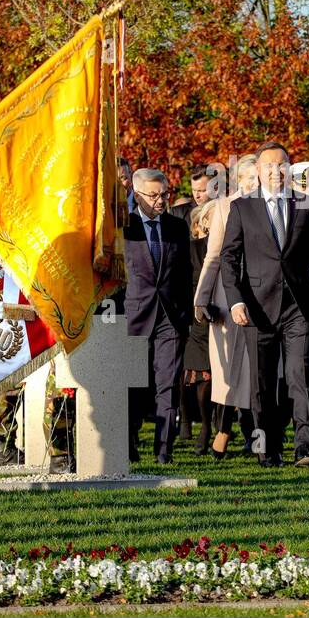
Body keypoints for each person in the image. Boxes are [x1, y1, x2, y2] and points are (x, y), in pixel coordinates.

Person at [221, 141, 309, 467]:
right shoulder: (242, 208)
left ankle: (304, 448)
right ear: (258, 170)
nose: (275, 171)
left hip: (299, 306)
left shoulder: (306, 205)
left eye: (281, 165)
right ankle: (266, 449)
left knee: (300, 377)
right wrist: (235, 301)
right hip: (257, 308)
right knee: (262, 383)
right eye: (268, 166)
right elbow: (229, 259)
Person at [123, 167, 192, 464]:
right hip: (136, 317)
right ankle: (129, 443)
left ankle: (164, 449)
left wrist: (186, 313)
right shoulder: (124, 227)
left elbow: (186, 272)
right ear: (137, 195)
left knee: (168, 384)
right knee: (136, 384)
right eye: (154, 195)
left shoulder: (178, 227)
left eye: (164, 193)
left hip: (171, 318)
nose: (161, 200)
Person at [194, 155, 258, 459]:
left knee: (257, 371)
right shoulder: (223, 207)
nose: (254, 184)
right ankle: (223, 430)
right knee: (227, 372)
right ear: (238, 181)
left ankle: (255, 438)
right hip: (226, 299)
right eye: (249, 178)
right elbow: (214, 256)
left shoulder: (269, 206)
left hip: (262, 296)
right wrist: (201, 298)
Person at [182, 200, 216, 455]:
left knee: (227, 378)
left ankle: (223, 426)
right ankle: (205, 425)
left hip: (230, 316)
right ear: (203, 223)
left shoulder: (234, 246)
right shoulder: (192, 250)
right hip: (199, 319)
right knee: (203, 376)